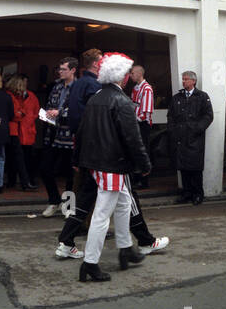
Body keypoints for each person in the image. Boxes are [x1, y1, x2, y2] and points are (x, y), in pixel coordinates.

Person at [75, 53, 151, 282]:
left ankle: (126, 247)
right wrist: (144, 164)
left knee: (123, 202)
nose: (128, 76)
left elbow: (82, 131)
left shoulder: (96, 98)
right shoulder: (123, 102)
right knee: (101, 214)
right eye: (127, 73)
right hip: (113, 165)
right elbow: (132, 138)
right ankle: (90, 263)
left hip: (98, 163)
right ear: (123, 77)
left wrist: (78, 159)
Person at [52, 50, 104, 258]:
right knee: (89, 190)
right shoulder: (92, 85)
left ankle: (70, 234)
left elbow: (74, 115)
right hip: (93, 145)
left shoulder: (79, 84)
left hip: (79, 142)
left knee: (82, 186)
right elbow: (95, 116)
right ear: (96, 64)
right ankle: (75, 233)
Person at [38, 56, 78, 217]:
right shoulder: (56, 86)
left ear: (73, 70)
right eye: (59, 69)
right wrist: (48, 112)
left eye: (64, 69)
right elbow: (50, 104)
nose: (60, 72)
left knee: (70, 173)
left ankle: (69, 206)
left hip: (69, 135)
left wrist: (60, 112)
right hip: (53, 133)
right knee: (45, 168)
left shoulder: (78, 88)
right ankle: (54, 200)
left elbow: (79, 109)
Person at [168, 70, 212, 205]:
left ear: (193, 81)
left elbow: (208, 116)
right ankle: (186, 193)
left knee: (195, 168)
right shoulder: (177, 98)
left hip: (194, 139)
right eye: (183, 79)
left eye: (186, 79)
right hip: (180, 139)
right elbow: (170, 116)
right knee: (183, 168)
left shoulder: (202, 97)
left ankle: (198, 194)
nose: (184, 81)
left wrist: (197, 129)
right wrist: (173, 130)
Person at [5, 74, 39, 191]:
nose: (25, 85)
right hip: (16, 131)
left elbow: (35, 111)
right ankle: (17, 182)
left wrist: (27, 117)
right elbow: (14, 113)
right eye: (23, 83)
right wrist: (21, 115)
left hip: (28, 130)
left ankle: (28, 181)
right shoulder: (11, 96)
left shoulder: (31, 95)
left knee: (28, 157)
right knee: (14, 158)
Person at [130, 64, 155, 189]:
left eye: (133, 73)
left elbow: (146, 111)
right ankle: (137, 178)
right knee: (136, 151)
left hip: (142, 124)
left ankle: (144, 181)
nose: (130, 75)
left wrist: (134, 119)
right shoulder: (136, 88)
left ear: (140, 74)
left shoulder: (146, 89)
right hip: (136, 123)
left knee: (143, 151)